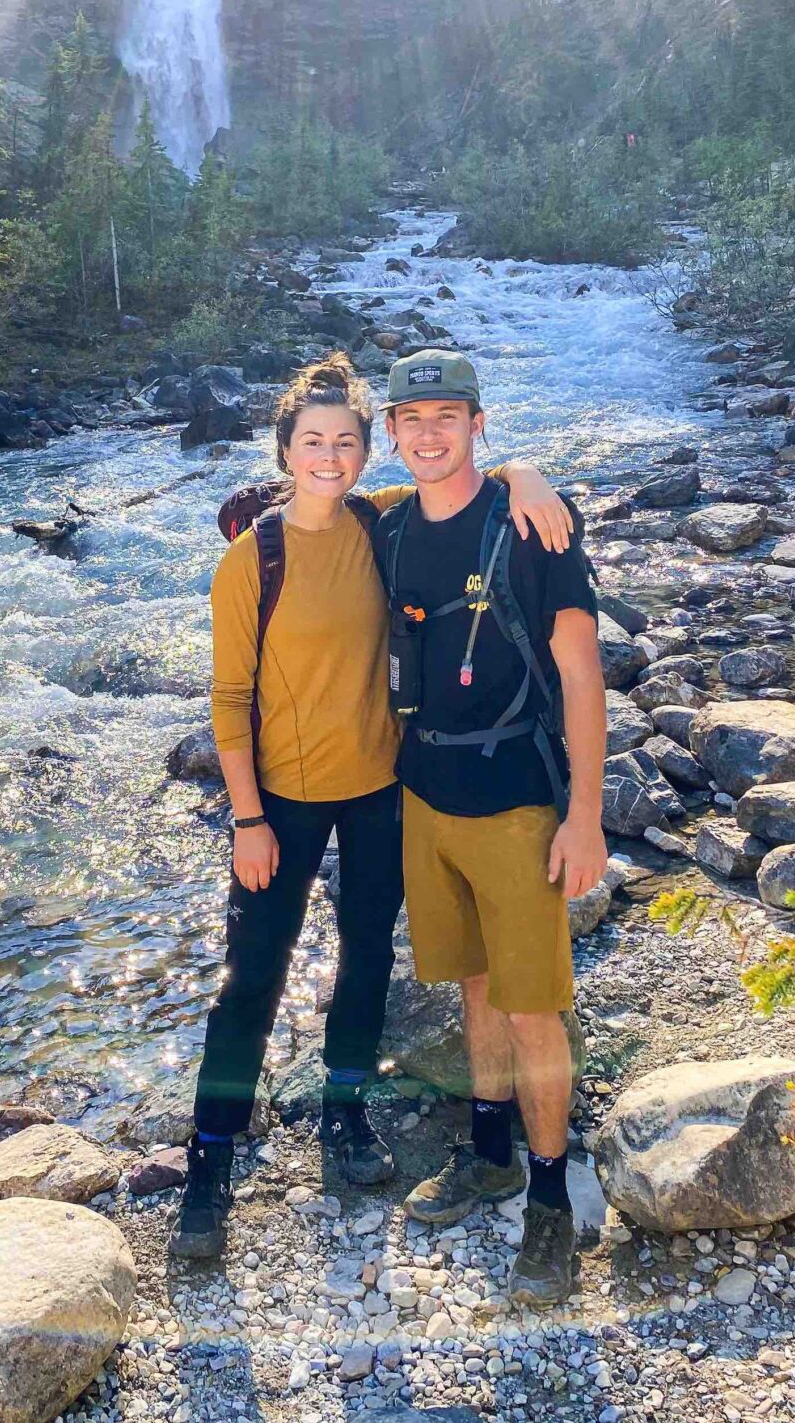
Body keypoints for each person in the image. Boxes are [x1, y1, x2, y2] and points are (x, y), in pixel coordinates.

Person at [170, 354, 571, 1262]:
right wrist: (246, 820)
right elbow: (229, 698)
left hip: (382, 790)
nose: (330, 456)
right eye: (313, 441)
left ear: (366, 451)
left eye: (345, 441)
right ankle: (209, 1157)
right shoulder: (252, 558)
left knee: (364, 959)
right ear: (285, 450)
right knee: (253, 978)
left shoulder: (377, 522)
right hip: (279, 800)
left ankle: (344, 1113)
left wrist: (525, 470)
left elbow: (465, 479)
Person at [376, 347, 609, 1308]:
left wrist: (586, 816)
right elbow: (305, 493)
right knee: (473, 984)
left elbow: (584, 675)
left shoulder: (532, 530)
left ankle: (551, 1203)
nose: (428, 433)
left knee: (531, 1004)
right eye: (412, 419)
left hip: (517, 801)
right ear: (390, 433)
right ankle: (489, 1154)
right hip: (424, 796)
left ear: (479, 423)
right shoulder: (386, 527)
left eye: (447, 416)